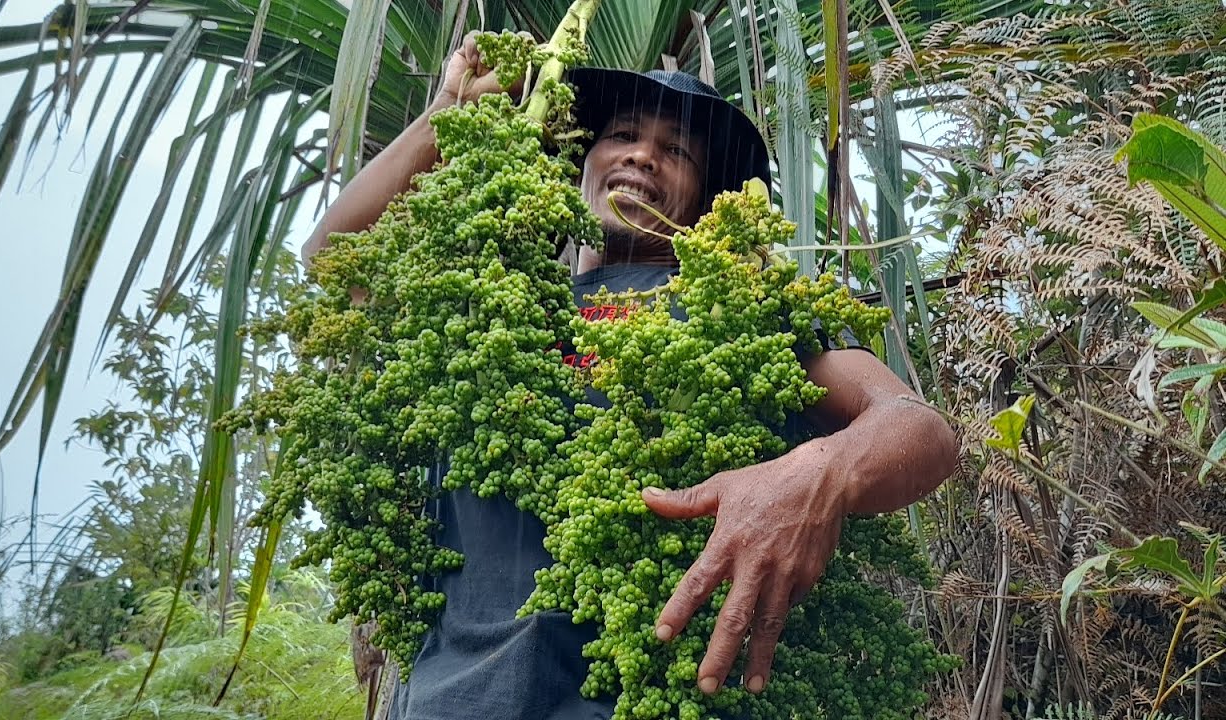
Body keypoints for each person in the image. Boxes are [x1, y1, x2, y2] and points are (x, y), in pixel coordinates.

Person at [301, 33, 958, 720]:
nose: (642, 154)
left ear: (709, 204)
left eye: (676, 151)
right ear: (583, 165)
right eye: (621, 135)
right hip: (455, 700)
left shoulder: (740, 315)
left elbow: (919, 430)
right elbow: (335, 260)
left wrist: (820, 467)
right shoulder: (485, 306)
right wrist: (448, 110)